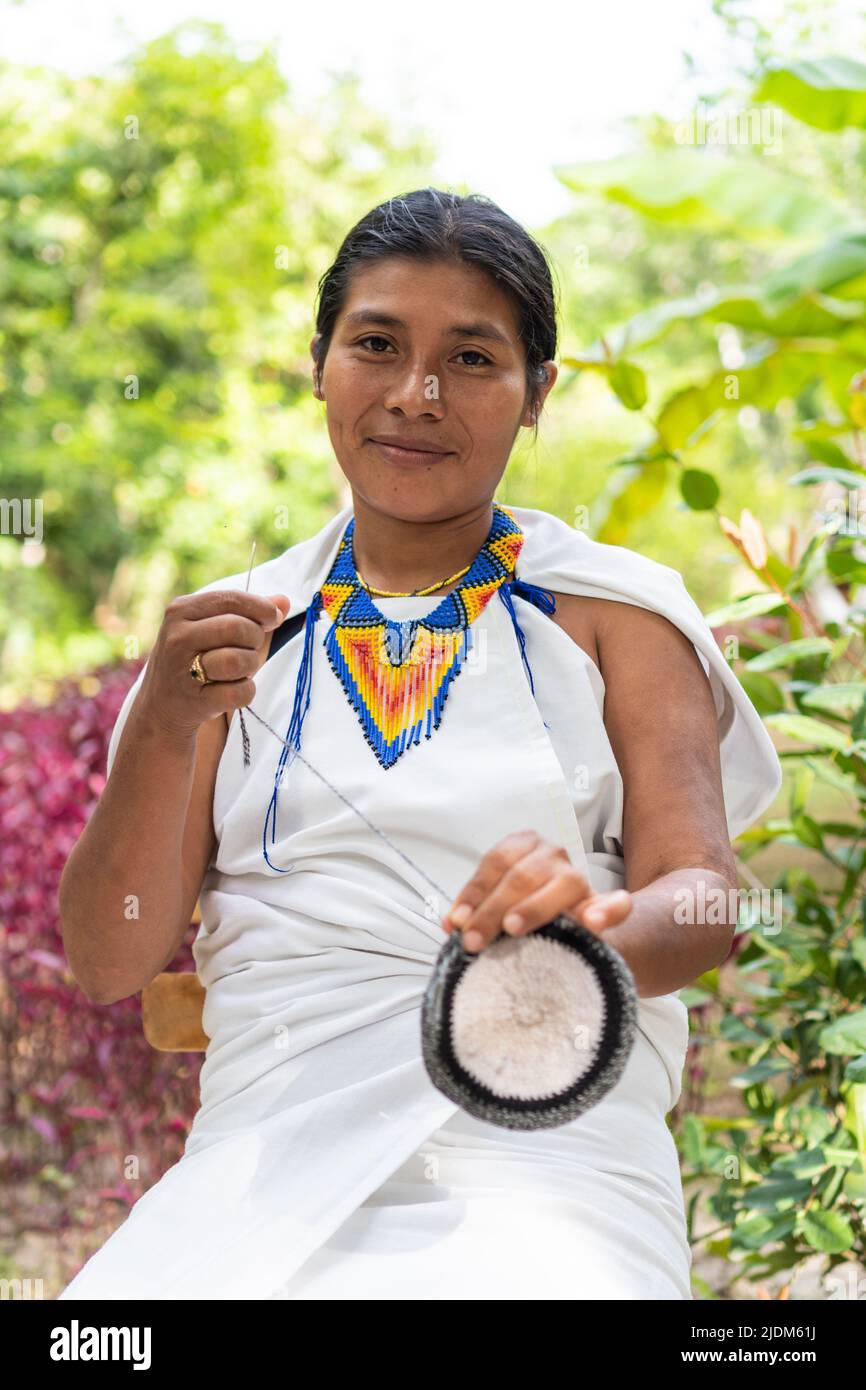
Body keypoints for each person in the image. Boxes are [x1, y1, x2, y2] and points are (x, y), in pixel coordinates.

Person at [57, 187, 781, 1300]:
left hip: (548, 1155)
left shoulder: (614, 612)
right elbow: (110, 958)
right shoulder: (228, 637)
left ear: (537, 392)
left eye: (472, 359)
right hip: (259, 1173)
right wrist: (161, 723)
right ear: (318, 365)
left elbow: (706, 901)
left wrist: (576, 942)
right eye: (377, 345)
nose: (414, 395)